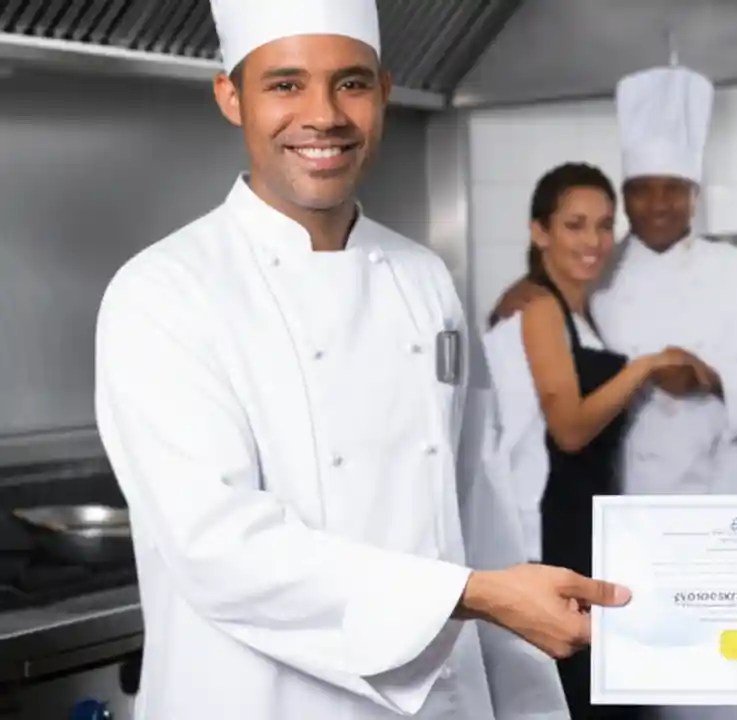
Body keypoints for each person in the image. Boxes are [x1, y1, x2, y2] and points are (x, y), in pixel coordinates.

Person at [94, 2, 627, 718]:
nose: (324, 116)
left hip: (443, 698)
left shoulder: (423, 279)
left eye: (350, 83)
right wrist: (474, 596)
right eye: (285, 85)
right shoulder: (165, 291)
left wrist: (530, 703)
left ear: (382, 91)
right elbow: (217, 548)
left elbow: (478, 510)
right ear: (231, 97)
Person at [493, 65, 737, 720]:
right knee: (639, 691)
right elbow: (553, 357)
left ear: (694, 193)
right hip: (624, 522)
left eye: (674, 188)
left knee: (731, 686)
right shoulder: (596, 273)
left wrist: (714, 376)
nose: (659, 203)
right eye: (642, 190)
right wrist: (523, 295)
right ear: (627, 197)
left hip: (726, 511)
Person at [482, 163, 688, 718]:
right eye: (575, 225)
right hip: (553, 526)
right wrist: (646, 367)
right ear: (540, 232)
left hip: (587, 522)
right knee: (582, 697)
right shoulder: (541, 308)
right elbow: (570, 429)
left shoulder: (574, 310)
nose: (594, 241)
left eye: (603, 225)